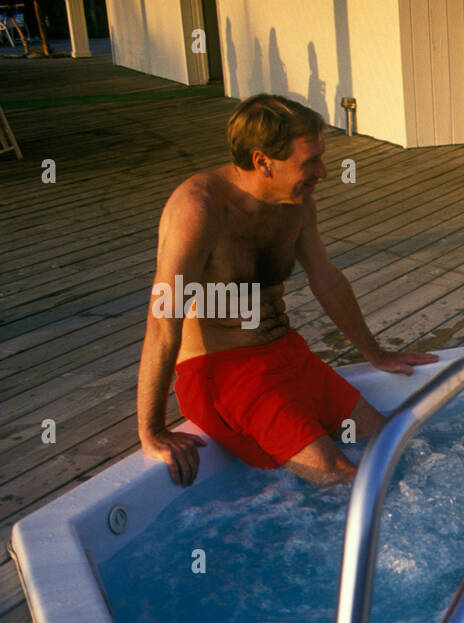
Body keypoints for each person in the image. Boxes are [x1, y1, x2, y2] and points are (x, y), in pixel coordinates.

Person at [137, 93, 437, 486]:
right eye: (309, 162)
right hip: (225, 374)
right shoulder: (200, 208)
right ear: (263, 161)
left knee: (398, 443)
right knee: (346, 477)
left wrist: (375, 354)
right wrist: (153, 429)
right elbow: (164, 318)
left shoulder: (295, 203)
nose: (323, 172)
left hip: (290, 355)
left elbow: (327, 282)